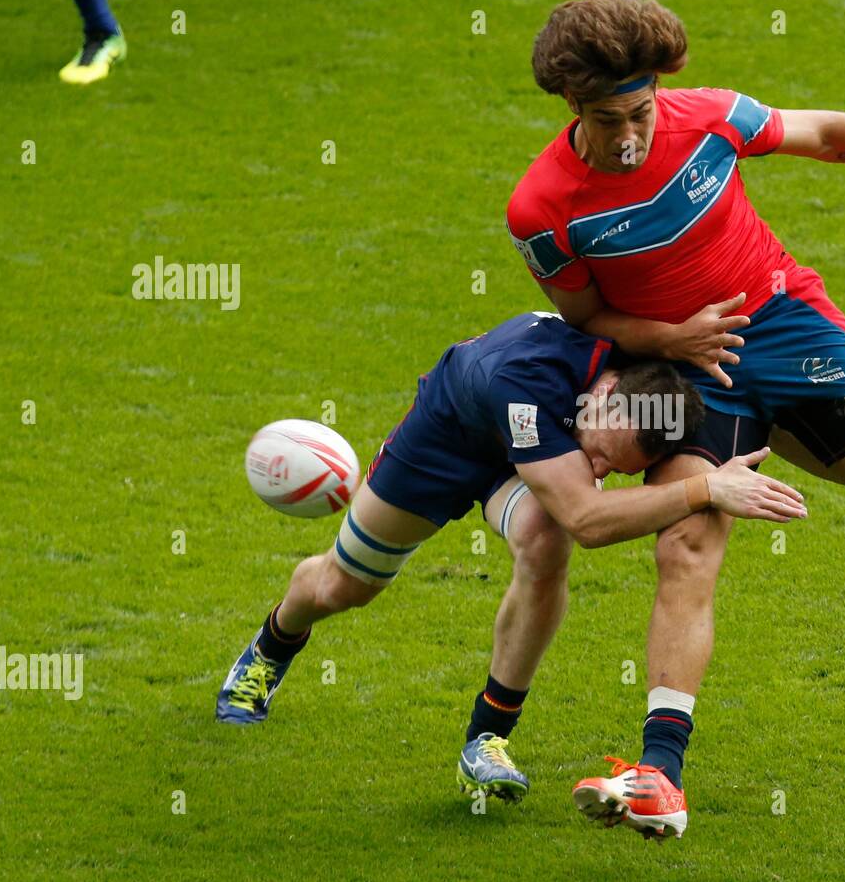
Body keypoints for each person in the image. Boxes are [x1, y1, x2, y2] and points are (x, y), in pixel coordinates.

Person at [505, 0, 845, 839]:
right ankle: (661, 772)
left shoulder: (711, 121)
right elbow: (584, 320)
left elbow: (828, 132)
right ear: (572, 108)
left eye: (641, 114)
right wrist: (675, 337)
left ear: (660, 93)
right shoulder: (543, 208)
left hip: (784, 320)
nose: (629, 139)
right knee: (687, 543)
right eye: (609, 120)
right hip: (686, 368)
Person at [214, 312, 805, 805]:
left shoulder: (629, 377)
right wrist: (707, 489)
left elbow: (576, 507)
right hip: (444, 441)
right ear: (600, 395)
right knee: (344, 586)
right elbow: (590, 521)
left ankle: (487, 737)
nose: (598, 471)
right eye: (597, 454)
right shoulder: (528, 381)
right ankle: (272, 644)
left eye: (611, 470)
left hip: (531, 454)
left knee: (545, 542)